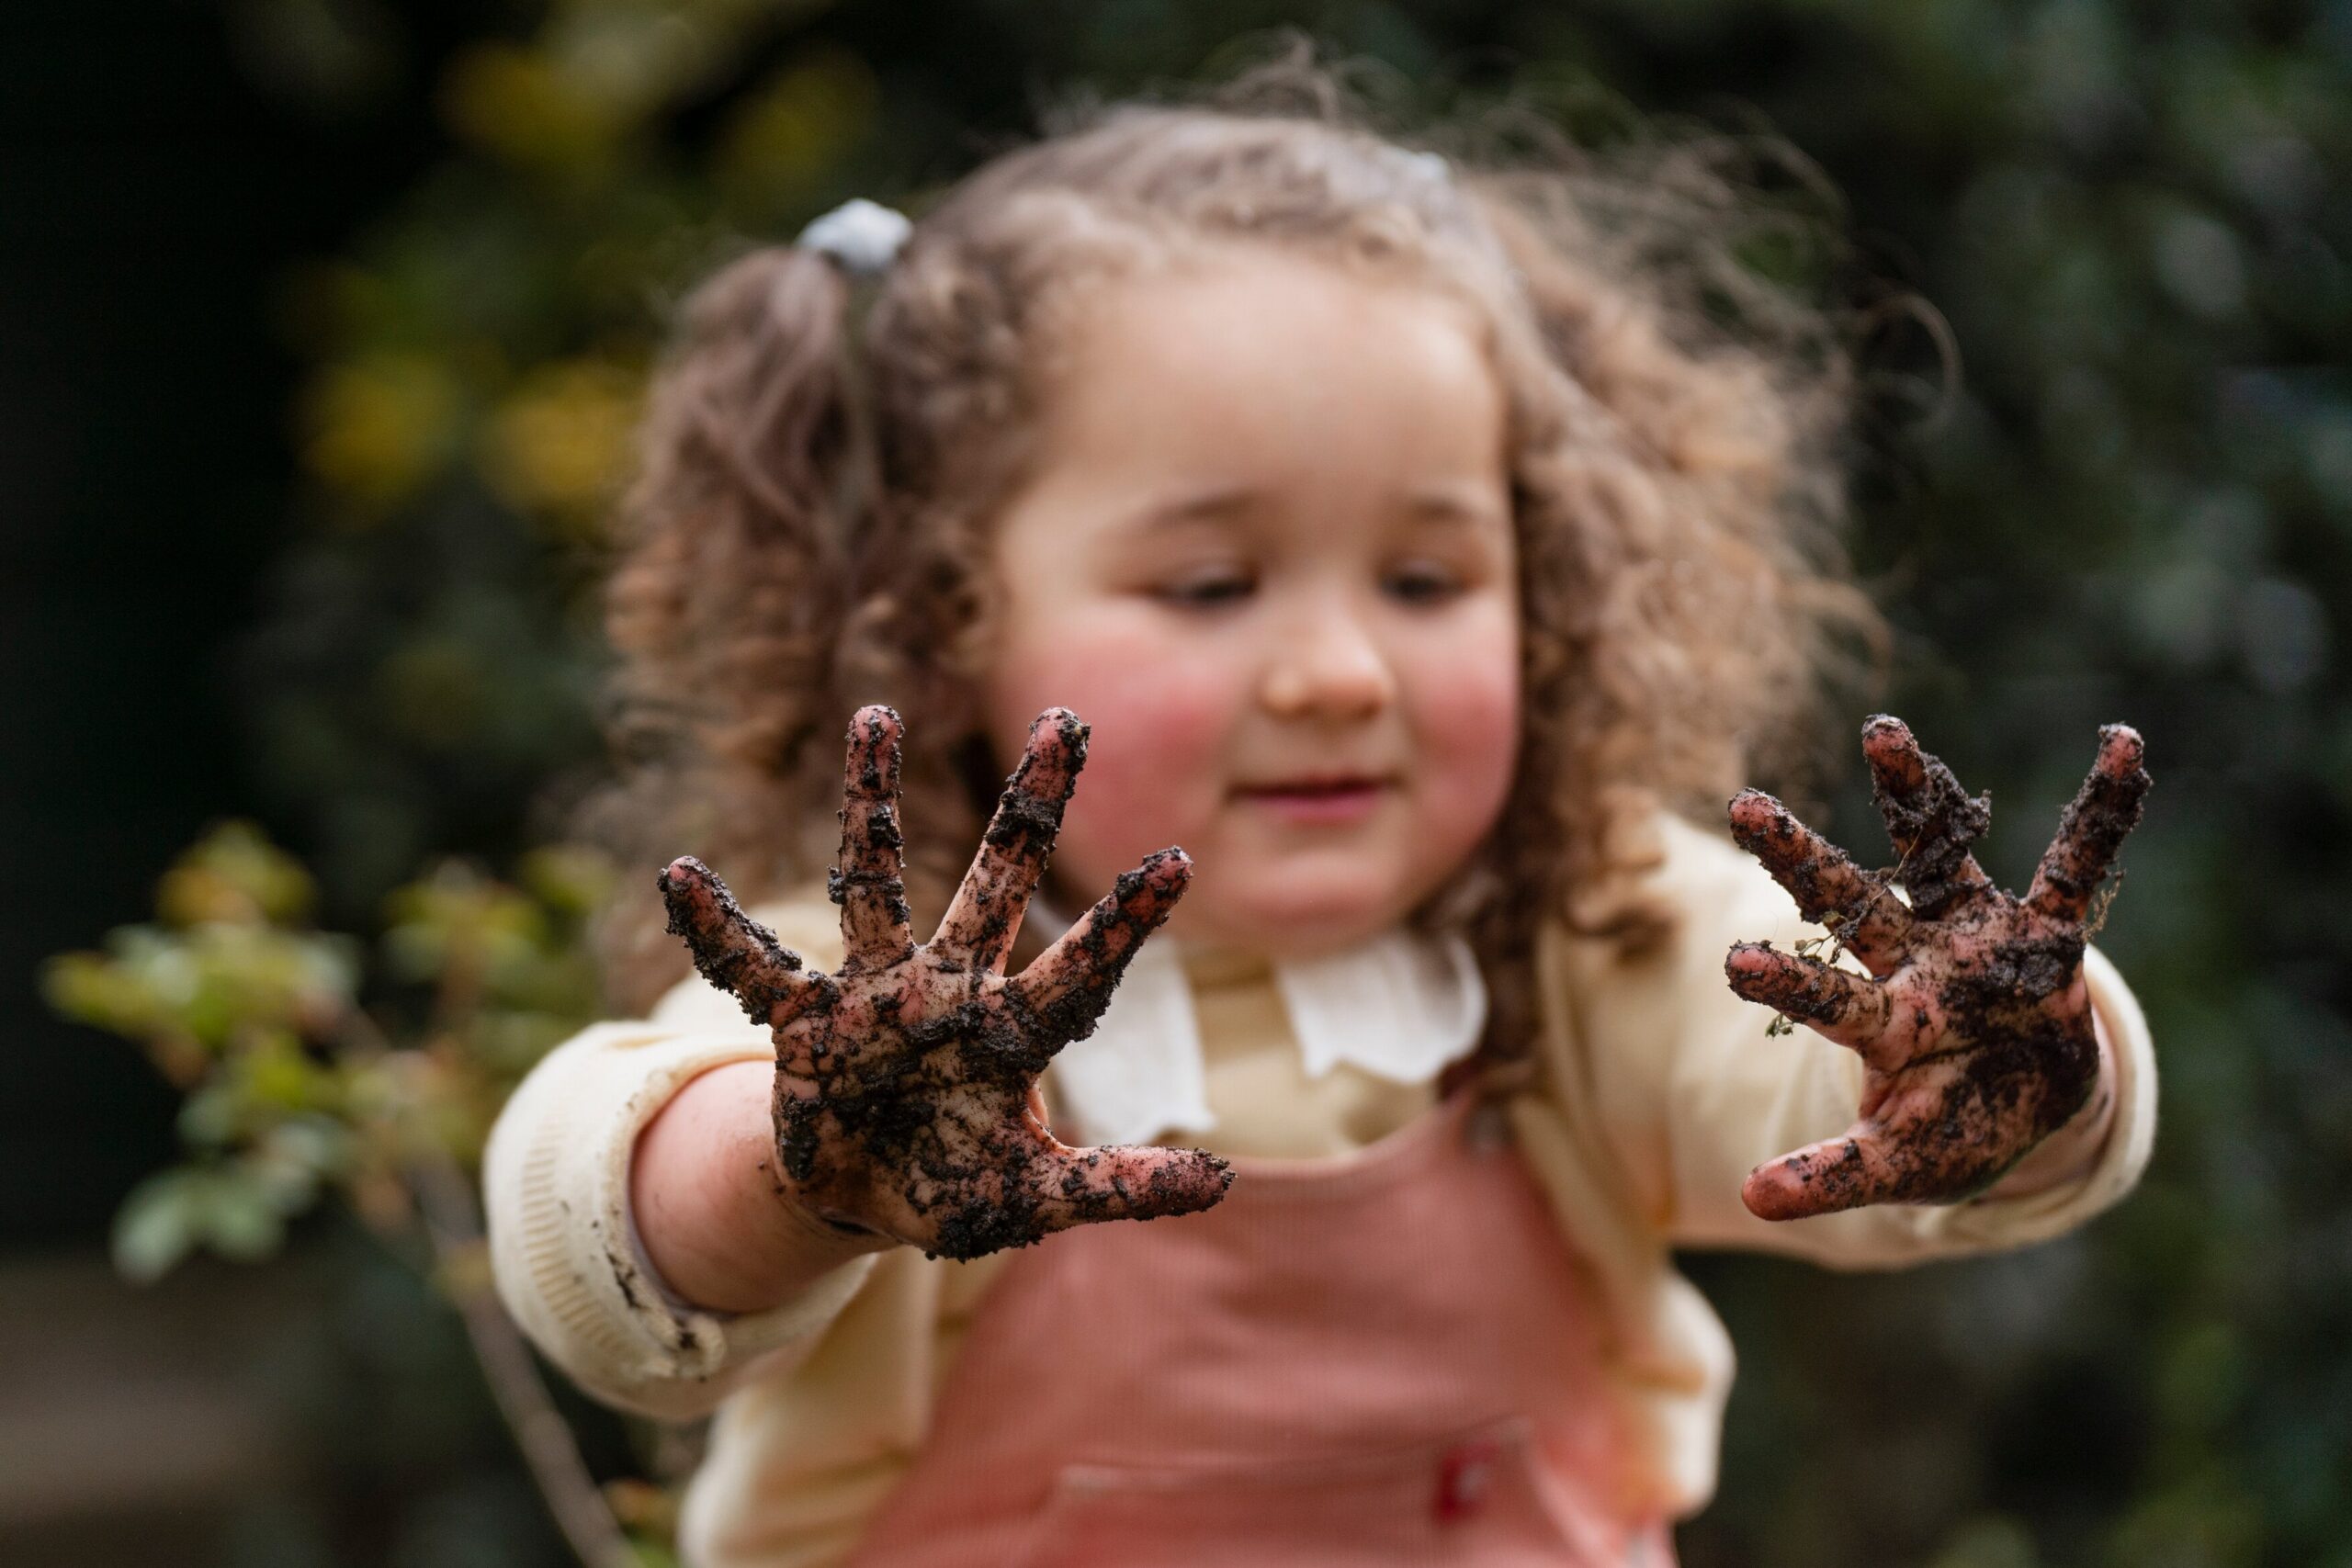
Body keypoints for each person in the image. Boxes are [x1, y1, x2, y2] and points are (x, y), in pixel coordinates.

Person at [485, 64, 2156, 1568]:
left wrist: (2014, 1059)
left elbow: (1835, 1089)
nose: (1344, 672)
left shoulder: (1591, 935)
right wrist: (801, 1163)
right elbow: (596, 1245)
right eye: (1212, 585)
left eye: (1426, 578)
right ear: (941, 622)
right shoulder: (882, 1013)